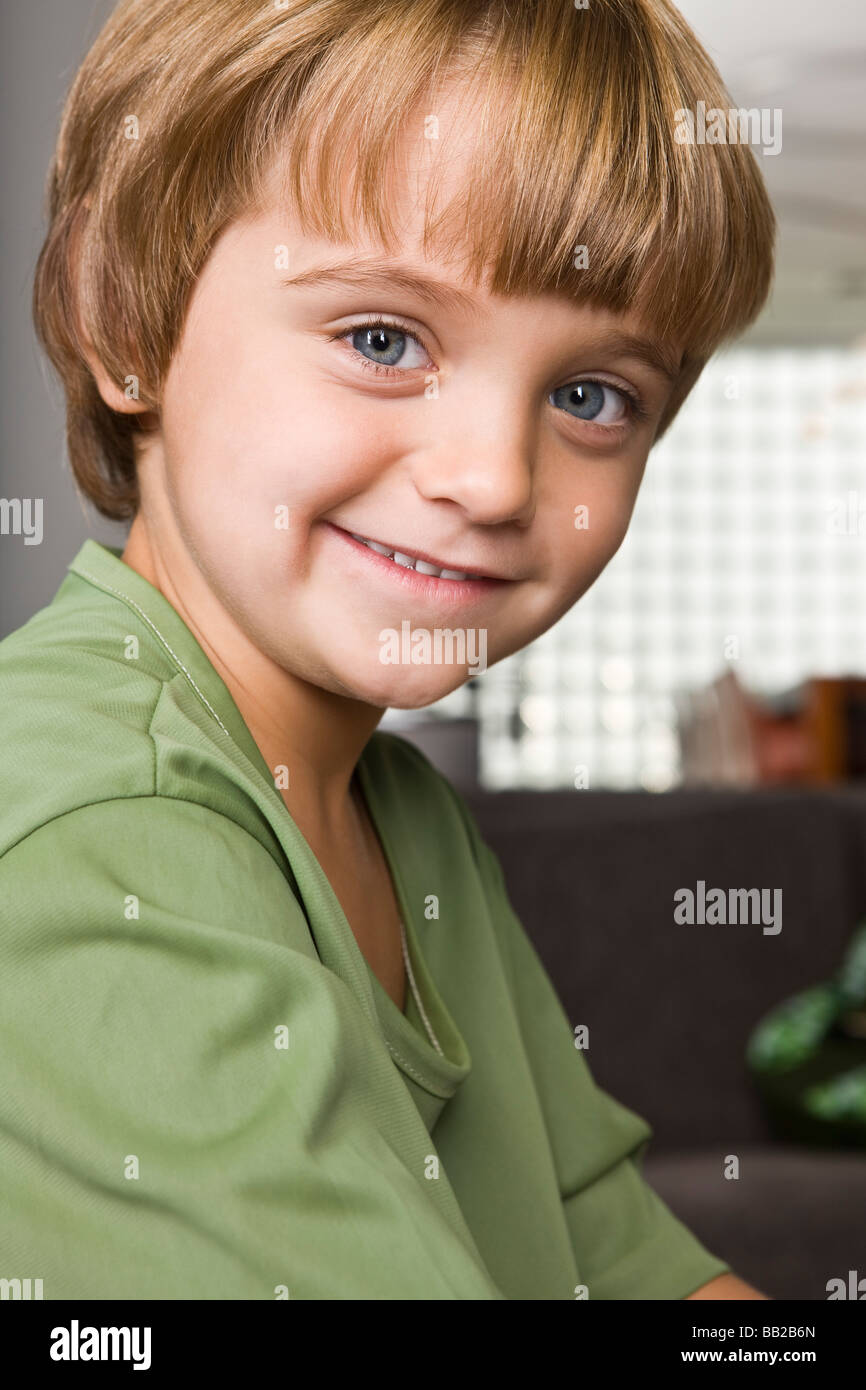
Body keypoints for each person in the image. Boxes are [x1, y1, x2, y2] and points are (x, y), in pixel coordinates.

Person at [0, 0, 775, 1298]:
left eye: (591, 396)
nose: (490, 476)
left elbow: (622, 1267)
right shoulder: (93, 830)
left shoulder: (409, 824)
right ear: (123, 314)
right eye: (381, 339)